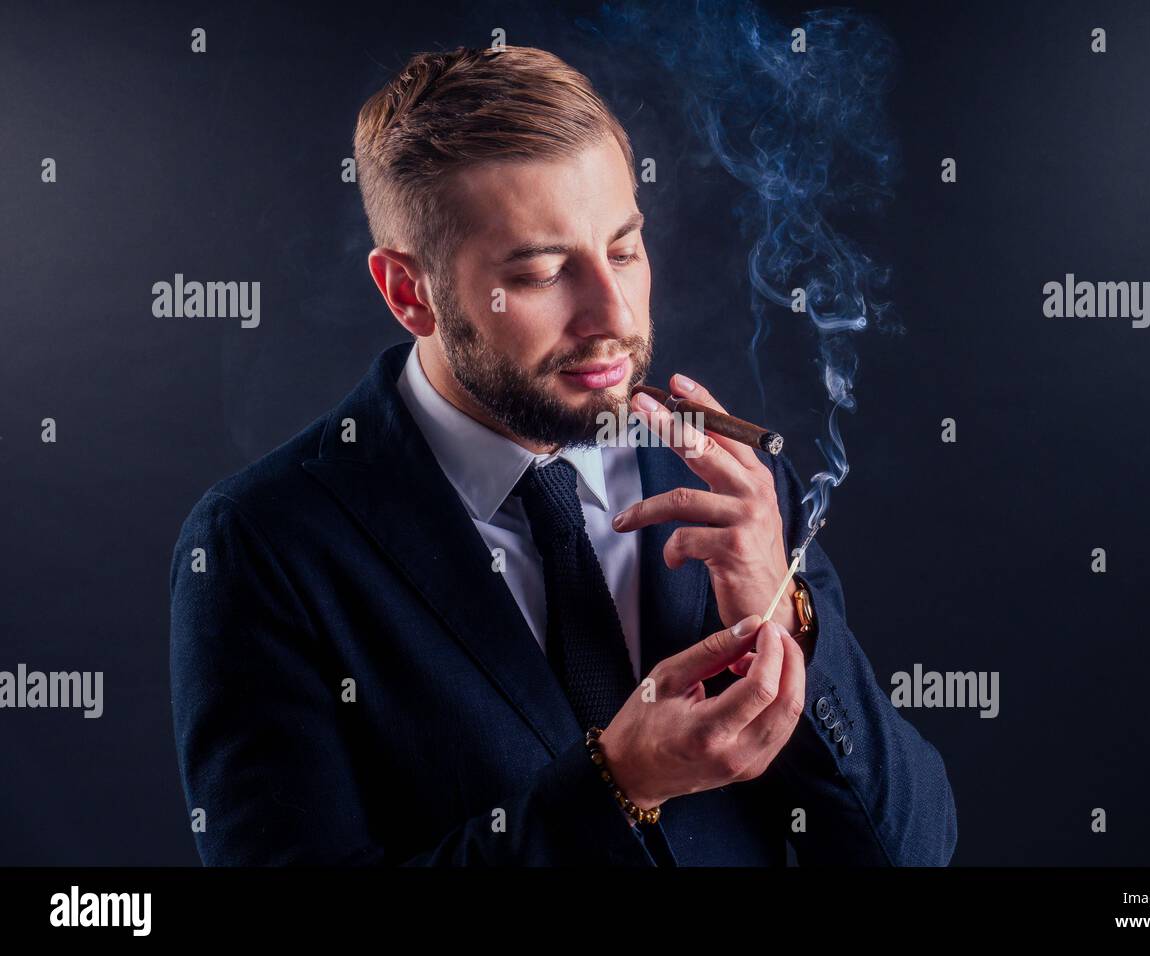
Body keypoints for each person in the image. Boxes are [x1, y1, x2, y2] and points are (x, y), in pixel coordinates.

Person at [168, 45, 957, 866]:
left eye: (623, 251)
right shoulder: (261, 548)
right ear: (410, 293)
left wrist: (794, 624)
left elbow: (910, 851)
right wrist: (616, 785)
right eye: (544, 273)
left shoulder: (732, 486)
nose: (612, 316)